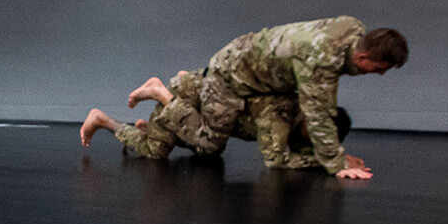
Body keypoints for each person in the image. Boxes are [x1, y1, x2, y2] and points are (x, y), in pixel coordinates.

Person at [81, 18, 405, 179]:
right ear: (363, 57)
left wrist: (333, 152)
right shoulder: (319, 61)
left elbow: (323, 105)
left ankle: (165, 108)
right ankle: (157, 95)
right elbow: (315, 114)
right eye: (378, 68)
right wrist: (333, 163)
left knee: (200, 146)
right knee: (209, 145)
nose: (379, 75)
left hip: (235, 73)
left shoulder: (351, 30)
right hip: (229, 78)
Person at [80, 69, 364, 172]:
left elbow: (303, 150)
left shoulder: (300, 120)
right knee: (155, 153)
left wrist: (335, 159)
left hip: (199, 101)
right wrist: (330, 162)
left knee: (209, 150)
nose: (312, 140)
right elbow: (276, 161)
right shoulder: (282, 116)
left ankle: (155, 122)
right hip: (193, 98)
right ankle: (106, 118)